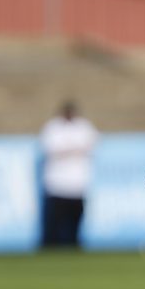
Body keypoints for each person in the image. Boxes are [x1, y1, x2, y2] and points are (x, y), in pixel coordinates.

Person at [39, 100, 99, 248]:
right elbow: (50, 149)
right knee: (54, 224)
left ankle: (73, 245)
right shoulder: (53, 127)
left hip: (77, 184)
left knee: (75, 222)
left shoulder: (84, 127)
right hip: (57, 184)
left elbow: (92, 144)